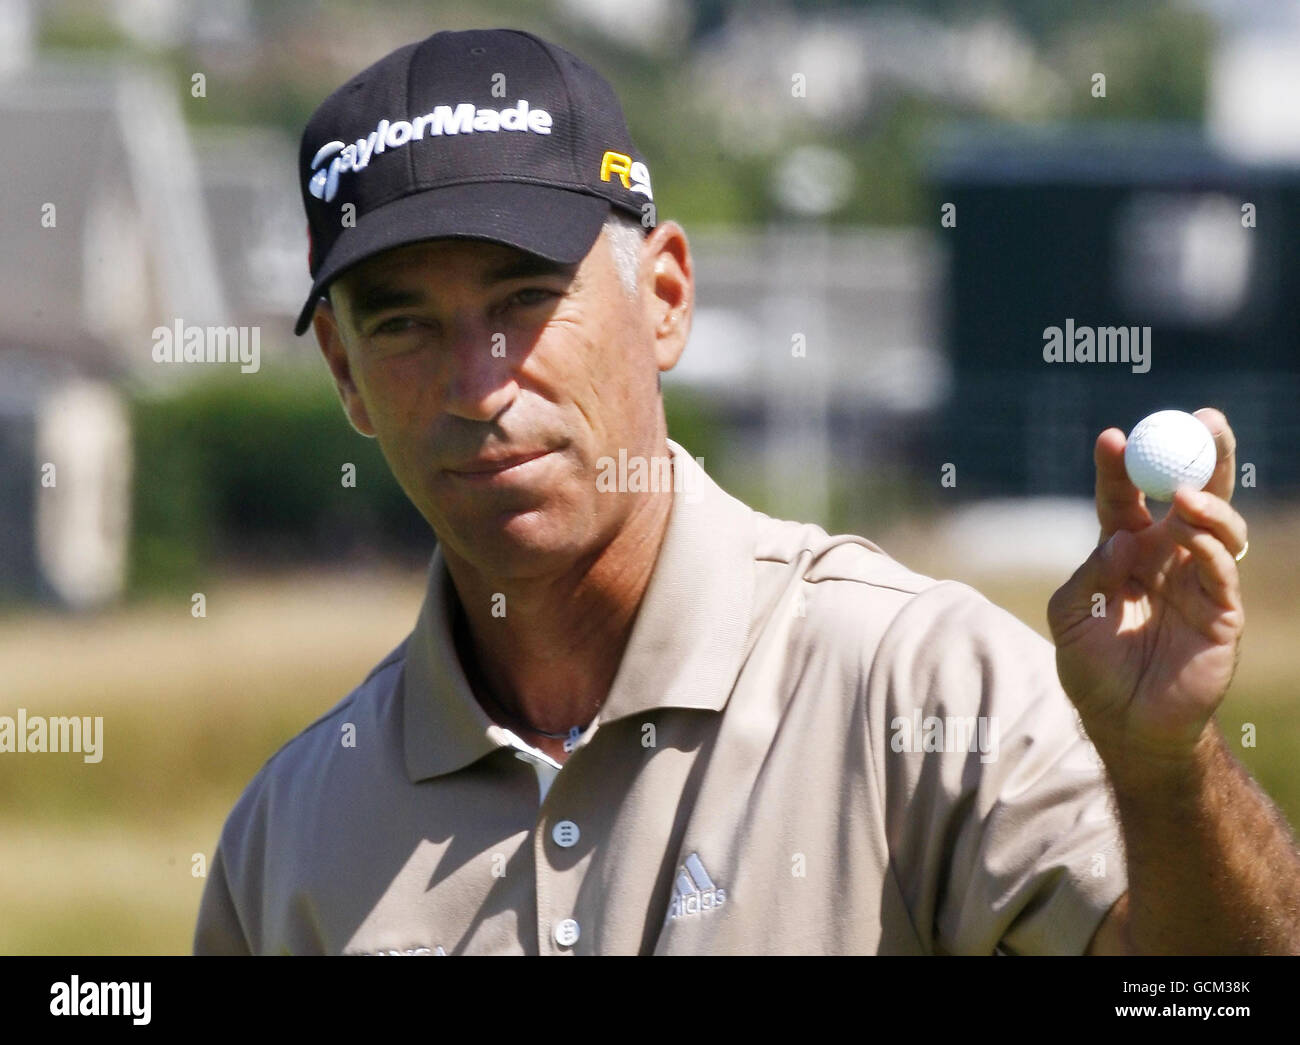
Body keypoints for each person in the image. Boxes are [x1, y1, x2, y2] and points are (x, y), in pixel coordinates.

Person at [193, 27, 1300, 955]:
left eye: (526, 299)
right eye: (402, 324)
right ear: (344, 375)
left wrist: (1162, 776)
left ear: (664, 296)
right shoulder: (284, 834)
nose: (480, 385)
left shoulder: (919, 682)